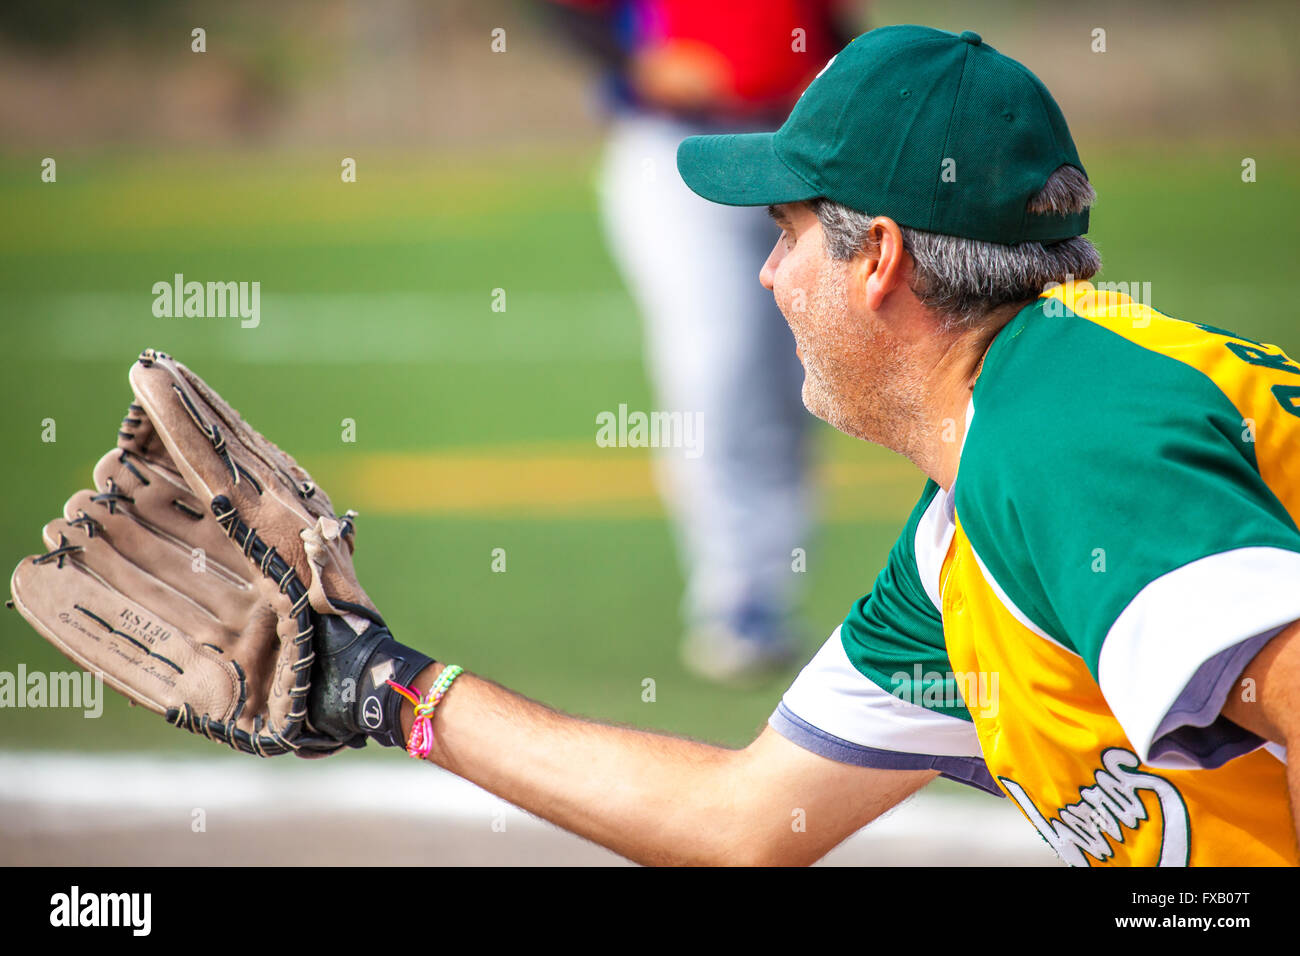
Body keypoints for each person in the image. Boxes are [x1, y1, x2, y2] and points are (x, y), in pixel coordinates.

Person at [370, 25, 1300, 865]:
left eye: (787, 233)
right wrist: (391, 689)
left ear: (880, 258)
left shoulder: (1068, 439)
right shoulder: (969, 523)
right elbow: (739, 821)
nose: (770, 274)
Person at [541, 0, 856, 681]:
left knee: (800, 374)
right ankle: (732, 597)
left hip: (796, 143)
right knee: (716, 366)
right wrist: (634, 61)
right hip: (679, 147)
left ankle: (769, 591)